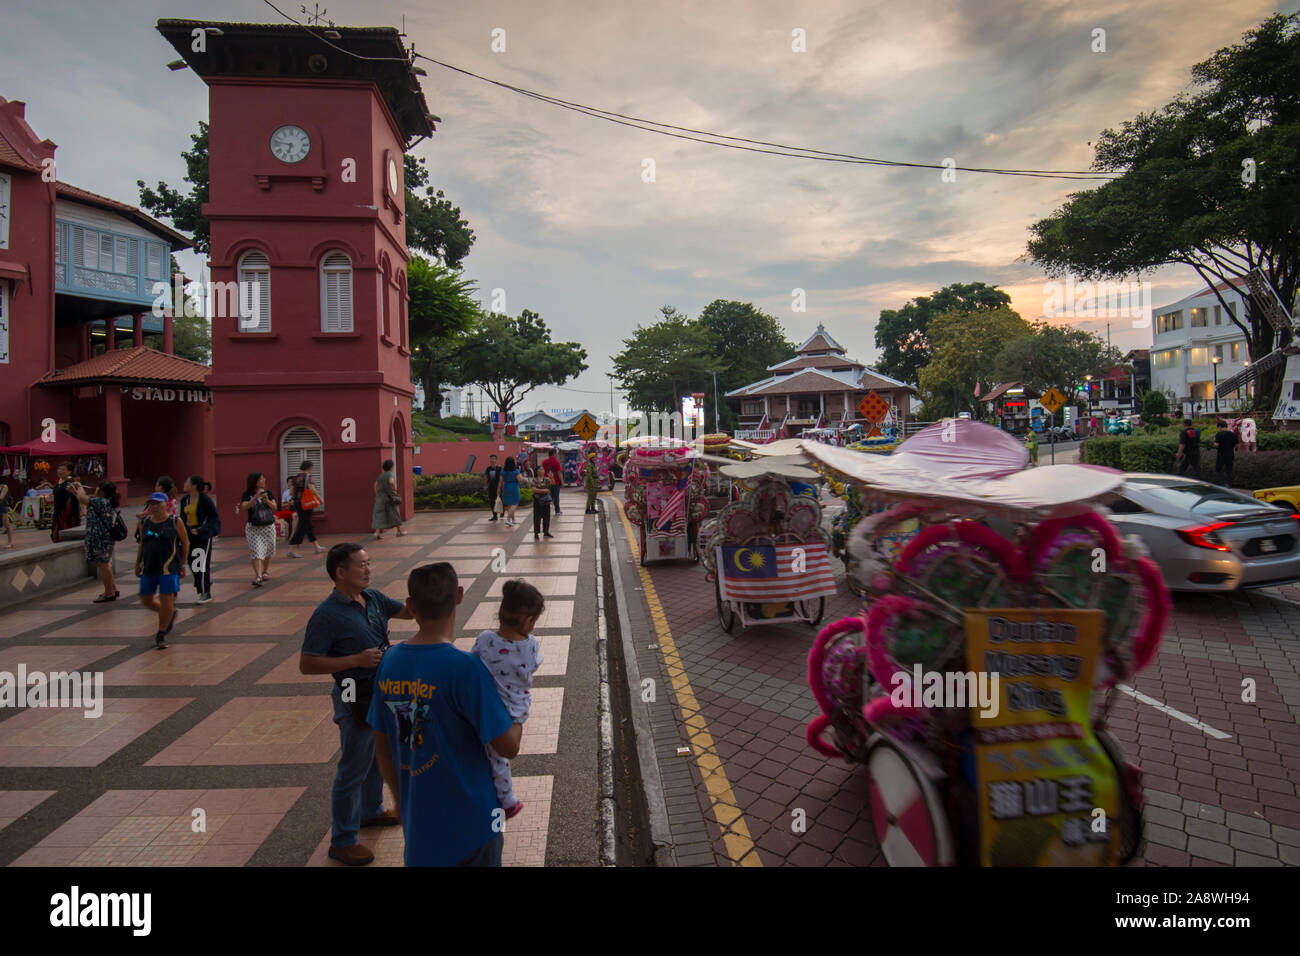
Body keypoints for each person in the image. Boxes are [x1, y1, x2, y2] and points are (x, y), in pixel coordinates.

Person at [368, 562, 522, 867]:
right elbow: (508, 746)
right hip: (474, 827)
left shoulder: (390, 661)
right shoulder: (465, 669)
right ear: (459, 596)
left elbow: (382, 744)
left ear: (411, 606)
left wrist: (400, 799)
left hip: (420, 827)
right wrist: (518, 701)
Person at [300, 543, 412, 866]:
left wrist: (432, 597)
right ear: (340, 572)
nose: (368, 569)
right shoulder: (326, 615)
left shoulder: (373, 598)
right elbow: (307, 663)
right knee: (354, 762)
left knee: (378, 754)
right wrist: (355, 660)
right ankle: (343, 839)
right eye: (361, 565)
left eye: (369, 563)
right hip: (351, 691)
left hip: (380, 689)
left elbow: (406, 611)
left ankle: (370, 810)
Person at [471, 579, 544, 819]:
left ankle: (506, 798)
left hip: (492, 708)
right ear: (527, 620)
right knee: (498, 757)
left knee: (494, 757)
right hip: (517, 709)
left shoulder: (485, 639)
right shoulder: (531, 645)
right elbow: (534, 665)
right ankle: (506, 800)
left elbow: (473, 661)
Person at [135, 492, 188, 650]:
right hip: (149, 566)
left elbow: (185, 543)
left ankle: (161, 633)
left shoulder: (175, 521)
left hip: (169, 567)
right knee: (146, 599)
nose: (155, 506)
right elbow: (142, 544)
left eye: (158, 503)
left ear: (166, 504)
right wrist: (138, 563)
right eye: (152, 504)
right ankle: (169, 613)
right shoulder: (145, 522)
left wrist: (182, 564)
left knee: (167, 600)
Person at [74, 479, 120, 602]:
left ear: (101, 491)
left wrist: (79, 486)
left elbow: (82, 498)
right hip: (101, 538)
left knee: (103, 564)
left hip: (101, 538)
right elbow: (82, 498)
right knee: (103, 564)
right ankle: (112, 588)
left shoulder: (101, 502)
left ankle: (109, 592)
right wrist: (76, 491)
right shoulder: (101, 502)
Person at [180, 475, 220, 603]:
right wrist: (184, 531)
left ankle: (205, 592)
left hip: (203, 535)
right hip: (189, 534)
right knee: (192, 562)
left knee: (201, 562)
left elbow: (214, 518)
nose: (185, 483)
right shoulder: (185, 500)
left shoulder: (205, 500)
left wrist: (201, 530)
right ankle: (205, 581)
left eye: (187, 482)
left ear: (194, 485)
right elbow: (182, 518)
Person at [239, 472, 277, 587]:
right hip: (253, 527)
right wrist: (255, 497)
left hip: (268, 526)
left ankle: (264, 571)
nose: (264, 480)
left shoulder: (268, 493)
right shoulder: (247, 494)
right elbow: (244, 507)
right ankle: (258, 576)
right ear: (255, 481)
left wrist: (267, 500)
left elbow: (275, 508)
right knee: (256, 551)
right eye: (261, 478)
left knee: (268, 551)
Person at [287, 460, 325, 559]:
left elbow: (291, 492)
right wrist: (320, 499)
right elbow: (312, 489)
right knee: (302, 525)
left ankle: (317, 547)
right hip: (306, 504)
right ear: (309, 467)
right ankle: (292, 549)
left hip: (297, 503)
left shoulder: (295, 478)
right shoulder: (308, 477)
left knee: (308, 524)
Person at [372, 459, 405, 539]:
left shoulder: (381, 475)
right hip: (389, 498)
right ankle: (399, 532)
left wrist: (377, 494)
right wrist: (394, 489)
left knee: (379, 514)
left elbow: (375, 484)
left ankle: (377, 533)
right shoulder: (390, 474)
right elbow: (391, 482)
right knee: (395, 513)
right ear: (391, 467)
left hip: (380, 498)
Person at [50, 463, 79, 542]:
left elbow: (79, 496)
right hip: (57, 512)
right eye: (59, 469)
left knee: (67, 536)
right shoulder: (58, 482)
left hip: (68, 513)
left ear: (69, 472)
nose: (60, 471)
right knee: (55, 535)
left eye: (63, 469)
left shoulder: (71, 482)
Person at [1214, 419, 1239, 486]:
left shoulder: (1219, 434)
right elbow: (1237, 446)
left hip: (1221, 454)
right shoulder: (1233, 434)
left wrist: (1214, 442)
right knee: (1229, 470)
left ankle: (1222, 483)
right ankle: (1230, 484)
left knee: (1218, 470)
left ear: (1219, 427)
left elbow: (1216, 445)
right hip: (1230, 454)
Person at [531, 471, 553, 539]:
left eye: (543, 469)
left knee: (547, 517)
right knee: (537, 517)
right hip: (537, 501)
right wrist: (544, 491)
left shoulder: (546, 479)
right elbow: (534, 490)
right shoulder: (534, 480)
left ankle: (546, 532)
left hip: (546, 501)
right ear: (537, 471)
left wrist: (551, 478)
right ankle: (536, 533)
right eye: (540, 469)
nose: (542, 471)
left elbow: (550, 486)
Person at [499, 456, 521, 528]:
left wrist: (499, 489)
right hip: (514, 487)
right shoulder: (516, 471)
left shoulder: (503, 471)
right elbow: (520, 480)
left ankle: (513, 520)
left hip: (506, 487)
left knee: (509, 505)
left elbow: (501, 481)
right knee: (515, 503)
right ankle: (508, 519)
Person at [483, 454, 503, 523]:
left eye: (494, 459)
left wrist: (500, 487)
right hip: (491, 487)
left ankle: (502, 511)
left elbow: (501, 478)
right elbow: (486, 477)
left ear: (496, 460)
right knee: (492, 501)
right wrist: (485, 485)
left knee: (500, 500)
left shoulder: (499, 468)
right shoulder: (488, 469)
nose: (492, 460)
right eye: (491, 459)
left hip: (498, 487)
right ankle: (494, 516)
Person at [1, 483, 15, 548]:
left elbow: (1, 497)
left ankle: (10, 542)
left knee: (6, 524)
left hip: (2, 506)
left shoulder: (4, 486)